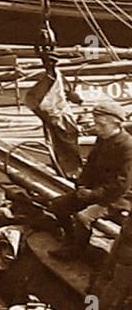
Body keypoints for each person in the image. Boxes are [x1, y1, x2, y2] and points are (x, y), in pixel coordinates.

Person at [53, 98, 132, 244]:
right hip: (97, 193)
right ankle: (69, 239)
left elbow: (121, 185)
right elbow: (90, 166)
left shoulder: (127, 146)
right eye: (96, 124)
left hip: (117, 199)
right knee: (58, 205)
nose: (97, 128)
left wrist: (92, 195)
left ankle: (77, 251)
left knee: (83, 217)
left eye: (101, 125)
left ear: (116, 124)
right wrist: (82, 185)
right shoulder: (103, 139)